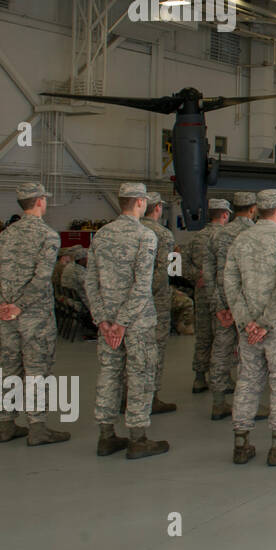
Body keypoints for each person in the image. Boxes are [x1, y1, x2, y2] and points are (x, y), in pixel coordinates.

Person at [223, 189, 276, 466]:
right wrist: (266, 323)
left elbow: (231, 285)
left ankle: (240, 443)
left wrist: (247, 322)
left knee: (247, 382)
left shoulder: (240, 240)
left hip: (248, 330)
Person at [86, 182, 166, 459]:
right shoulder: (145, 236)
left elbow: (90, 281)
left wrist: (104, 321)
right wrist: (123, 322)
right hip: (137, 323)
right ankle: (137, 437)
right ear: (141, 203)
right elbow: (142, 285)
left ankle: (106, 436)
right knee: (140, 374)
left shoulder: (101, 235)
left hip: (107, 323)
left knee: (108, 374)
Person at [0, 181, 70, 446]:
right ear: (39, 202)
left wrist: (3, 303)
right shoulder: (48, 236)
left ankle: (6, 424)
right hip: (35, 318)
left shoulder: (4, 236)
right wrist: (21, 306)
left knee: (10, 367)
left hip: (7, 318)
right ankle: (37, 428)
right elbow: (43, 276)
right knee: (37, 370)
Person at [207, 192, 259, 420]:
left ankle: (218, 403)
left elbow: (208, 273)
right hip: (247, 305)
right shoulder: (254, 234)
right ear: (253, 209)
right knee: (249, 355)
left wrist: (219, 304)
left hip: (222, 304)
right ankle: (248, 406)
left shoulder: (217, 235)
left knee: (220, 350)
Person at [139, 191, 177, 415]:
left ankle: (127, 394)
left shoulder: (120, 231)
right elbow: (170, 271)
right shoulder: (164, 235)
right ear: (157, 209)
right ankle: (150, 397)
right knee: (155, 350)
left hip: (126, 304)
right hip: (155, 302)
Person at [186, 198, 229, 393]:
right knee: (223, 336)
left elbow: (175, 267)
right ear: (225, 215)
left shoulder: (195, 238)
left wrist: (198, 276)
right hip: (223, 293)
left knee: (203, 335)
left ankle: (199, 378)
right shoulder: (228, 238)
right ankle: (222, 378)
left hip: (202, 292)